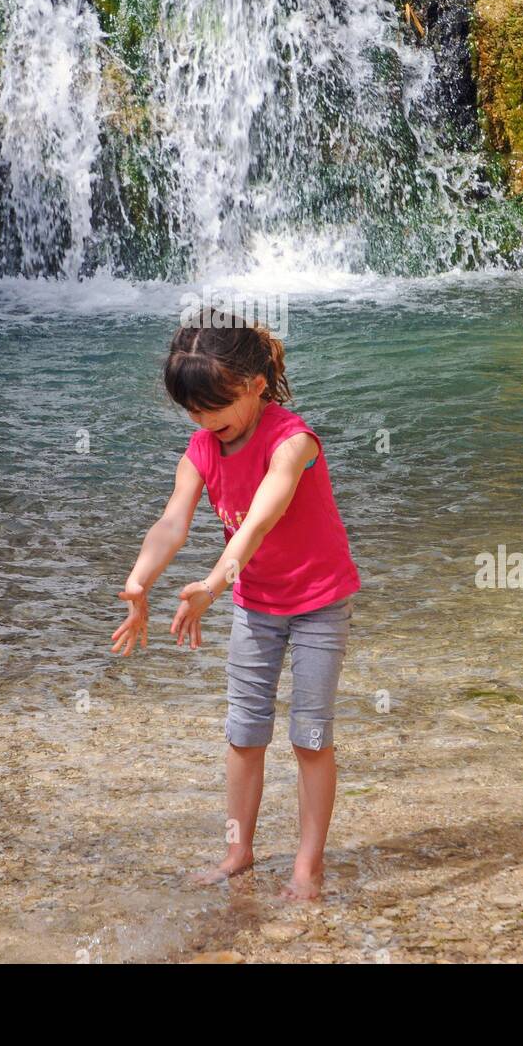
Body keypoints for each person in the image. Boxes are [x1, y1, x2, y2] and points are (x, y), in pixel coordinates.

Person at [112, 320, 360, 899]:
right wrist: (139, 581)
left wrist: (214, 583)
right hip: (256, 605)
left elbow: (260, 520)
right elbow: (172, 521)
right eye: (192, 411)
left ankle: (307, 866)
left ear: (255, 384)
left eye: (214, 407)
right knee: (244, 733)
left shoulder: (293, 442)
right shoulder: (202, 447)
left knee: (311, 738)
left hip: (319, 603)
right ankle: (237, 851)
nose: (203, 422)